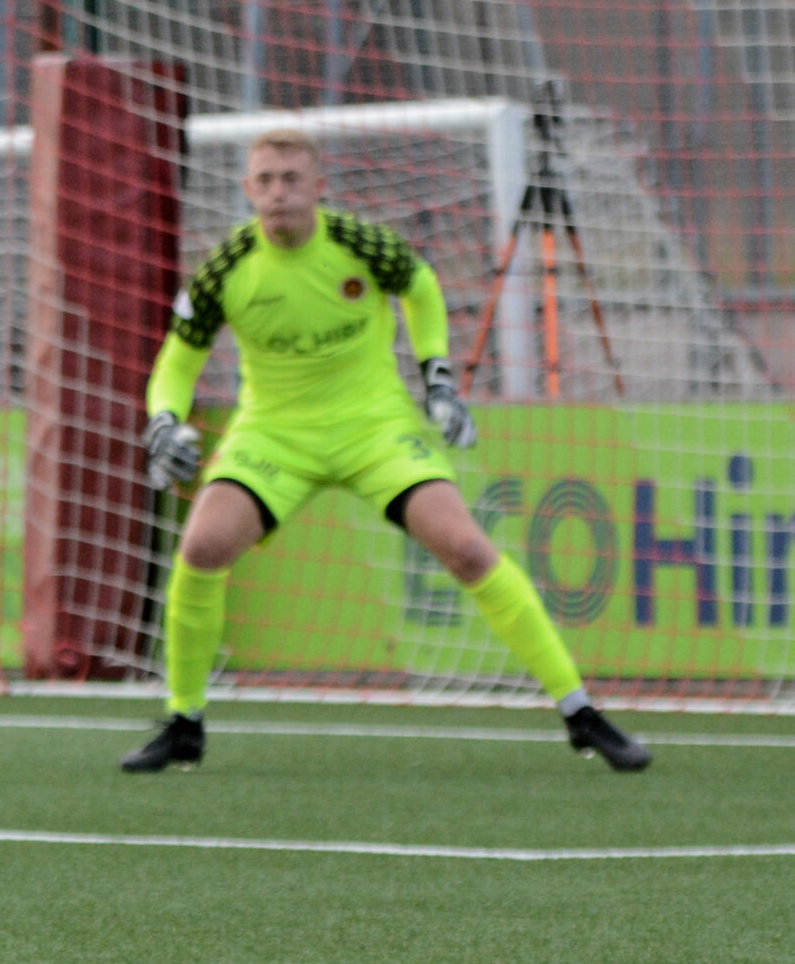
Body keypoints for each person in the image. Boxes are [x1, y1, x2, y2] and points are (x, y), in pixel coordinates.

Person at [125, 130, 652, 774]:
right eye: (265, 180)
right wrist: (163, 419)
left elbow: (422, 286)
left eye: (292, 178)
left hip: (373, 427)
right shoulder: (224, 269)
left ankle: (580, 713)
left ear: (320, 186)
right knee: (202, 548)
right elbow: (176, 362)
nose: (279, 193)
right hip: (273, 436)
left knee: (467, 549)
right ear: (247, 190)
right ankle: (185, 722)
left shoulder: (359, 244)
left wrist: (435, 376)